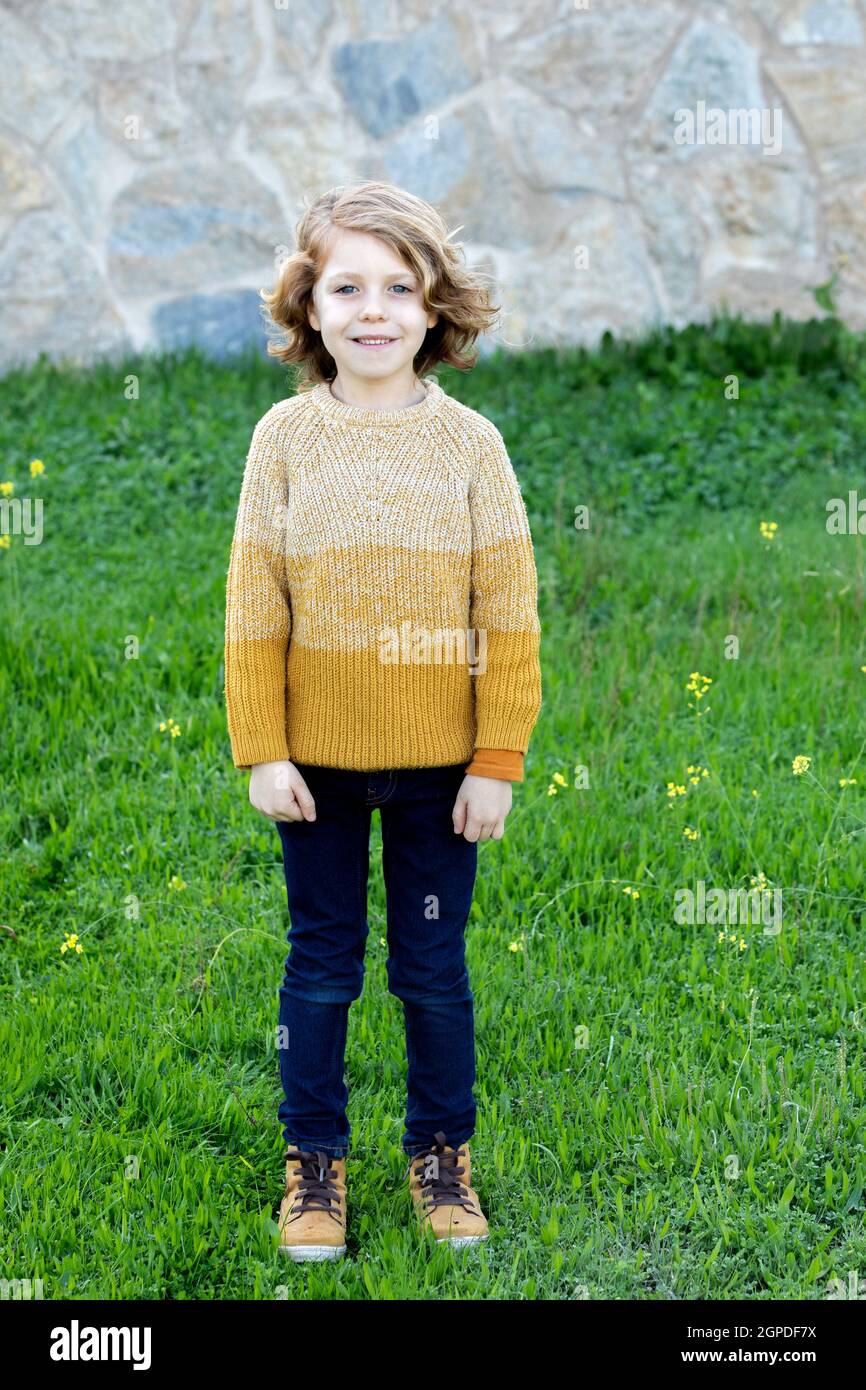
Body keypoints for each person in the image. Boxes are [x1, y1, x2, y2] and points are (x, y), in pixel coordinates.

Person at [224, 180, 542, 1260]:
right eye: (345, 286)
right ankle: (313, 1163)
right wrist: (263, 748)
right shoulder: (282, 440)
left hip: (437, 774)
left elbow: (506, 615)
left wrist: (492, 760)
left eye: (397, 287)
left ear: (432, 307)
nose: (373, 309)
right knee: (320, 965)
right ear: (306, 309)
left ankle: (440, 1156)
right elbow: (252, 610)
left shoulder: (469, 447)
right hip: (314, 766)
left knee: (429, 969)